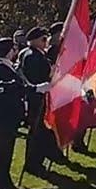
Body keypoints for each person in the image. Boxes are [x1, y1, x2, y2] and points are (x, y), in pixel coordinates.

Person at [0, 37, 33, 189]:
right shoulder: (0, 67)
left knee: (7, 147)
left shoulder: (8, 67)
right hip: (5, 114)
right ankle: (1, 180)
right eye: (13, 49)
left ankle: (2, 178)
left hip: (10, 114)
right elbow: (10, 89)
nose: (15, 52)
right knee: (3, 148)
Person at [18, 26, 60, 175]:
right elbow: (35, 77)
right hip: (37, 98)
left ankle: (38, 161)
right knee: (37, 132)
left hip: (42, 97)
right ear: (34, 41)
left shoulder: (37, 54)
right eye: (43, 39)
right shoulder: (32, 56)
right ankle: (33, 163)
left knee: (42, 131)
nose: (45, 42)